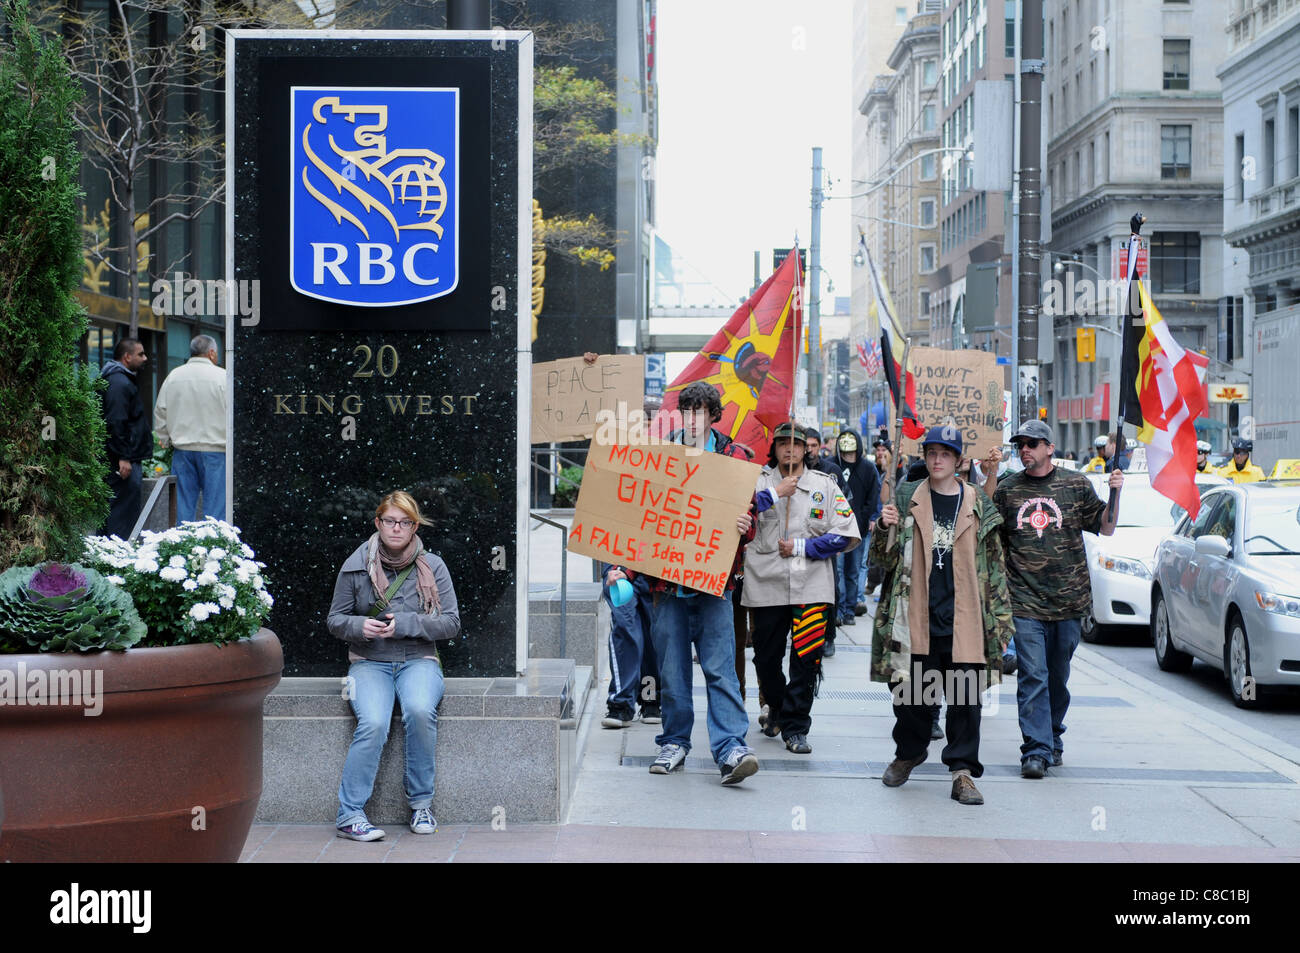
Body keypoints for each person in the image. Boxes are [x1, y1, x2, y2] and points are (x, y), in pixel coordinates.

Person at [609, 381, 760, 785]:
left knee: (720, 669)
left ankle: (730, 747)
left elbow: (750, 521)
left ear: (713, 415)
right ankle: (674, 741)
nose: (693, 418)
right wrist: (623, 566)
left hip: (715, 588)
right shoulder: (660, 457)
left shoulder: (735, 458)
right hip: (665, 589)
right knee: (673, 673)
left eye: (700, 411)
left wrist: (746, 526)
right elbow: (641, 515)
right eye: (687, 410)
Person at [870, 425, 1014, 805]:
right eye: (931, 453)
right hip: (917, 614)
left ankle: (962, 771)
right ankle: (910, 753)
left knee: (966, 702)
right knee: (911, 698)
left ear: (959, 461)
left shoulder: (977, 503)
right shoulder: (907, 497)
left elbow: (995, 562)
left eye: (945, 454)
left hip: (965, 617)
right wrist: (882, 529)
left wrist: (1001, 619)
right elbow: (881, 562)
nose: (937, 460)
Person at [327, 491, 461, 840]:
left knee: (419, 710)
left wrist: (405, 623)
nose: (396, 528)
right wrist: (360, 626)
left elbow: (450, 623)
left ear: (414, 526)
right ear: (378, 522)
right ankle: (350, 814)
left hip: (419, 660)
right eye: (390, 521)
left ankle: (421, 806)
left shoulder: (433, 566)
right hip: (369, 661)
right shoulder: (356, 564)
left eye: (404, 522)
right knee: (372, 721)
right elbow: (335, 620)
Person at [993, 420, 1123, 779]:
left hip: (1068, 600)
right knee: (1032, 673)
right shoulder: (1008, 490)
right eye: (1021, 444)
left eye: (1032, 444)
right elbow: (988, 534)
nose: (1025, 450)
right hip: (1024, 600)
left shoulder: (1076, 484)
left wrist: (1115, 492)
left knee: (1056, 676)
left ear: (1050, 447)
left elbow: (1107, 526)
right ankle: (1035, 750)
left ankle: (1052, 736)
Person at [744, 422, 859, 754]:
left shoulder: (825, 486)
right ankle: (777, 708)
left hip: (811, 585)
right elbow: (738, 515)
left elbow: (845, 534)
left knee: (807, 658)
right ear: (775, 448)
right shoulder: (757, 481)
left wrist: (802, 548)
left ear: (807, 449)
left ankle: (796, 726)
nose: (790, 450)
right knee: (766, 658)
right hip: (765, 584)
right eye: (783, 444)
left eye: (796, 444)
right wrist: (775, 494)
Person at [153, 335, 228, 522]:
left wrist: (165, 439)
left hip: (183, 451)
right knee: (215, 511)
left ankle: (183, 548)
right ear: (211, 353)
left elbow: (161, 412)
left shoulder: (174, 376)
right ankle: (211, 548)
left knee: (183, 508)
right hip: (216, 450)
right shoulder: (223, 377)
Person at [100, 337, 152, 539]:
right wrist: (123, 457)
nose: (145, 358)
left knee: (116, 513)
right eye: (141, 354)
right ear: (127, 356)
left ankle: (108, 558)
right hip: (121, 461)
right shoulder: (119, 382)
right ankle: (117, 560)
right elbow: (116, 421)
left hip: (122, 457)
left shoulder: (119, 379)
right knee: (122, 516)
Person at [599, 564, 661, 728]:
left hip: (653, 570)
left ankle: (651, 698)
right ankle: (621, 703)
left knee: (652, 635)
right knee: (625, 629)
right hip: (620, 565)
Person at [830, 429, 880, 629]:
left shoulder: (868, 468)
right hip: (835, 528)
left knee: (853, 570)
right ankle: (839, 610)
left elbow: (872, 495)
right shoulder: (832, 465)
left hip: (858, 528)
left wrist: (866, 518)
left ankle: (850, 609)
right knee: (838, 570)